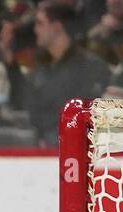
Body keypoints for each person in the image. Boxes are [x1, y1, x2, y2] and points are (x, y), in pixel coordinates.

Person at [7, 0, 112, 145]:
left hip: (76, 153)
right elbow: (24, 107)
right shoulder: (40, 68)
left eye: (40, 23)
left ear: (57, 27)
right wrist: (10, 65)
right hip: (39, 151)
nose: (35, 30)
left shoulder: (91, 68)